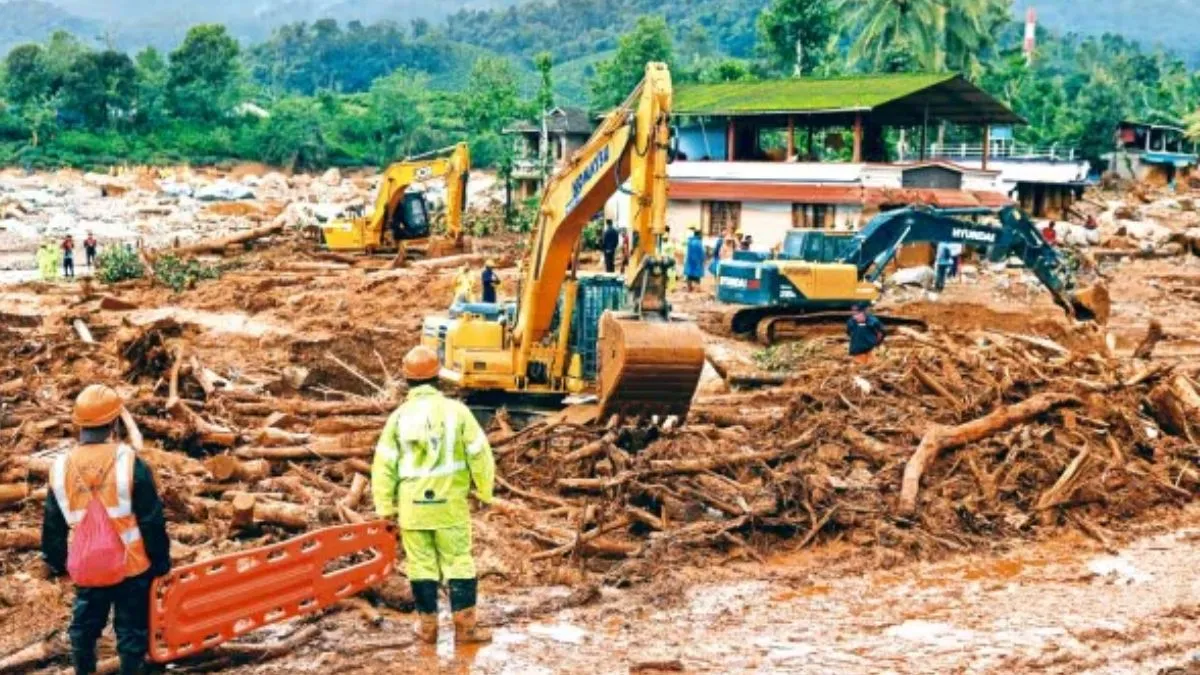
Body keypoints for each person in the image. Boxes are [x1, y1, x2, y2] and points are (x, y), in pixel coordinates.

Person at [41, 385, 170, 675]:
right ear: (114, 423)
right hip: (133, 566)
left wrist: (56, 563)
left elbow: (52, 524)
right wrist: (161, 562)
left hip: (88, 566)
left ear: (79, 424)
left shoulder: (59, 467)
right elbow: (151, 519)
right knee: (132, 633)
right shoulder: (129, 461)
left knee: (84, 630)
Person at [372, 346, 496, 645]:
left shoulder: (399, 418)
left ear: (407, 380)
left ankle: (427, 629)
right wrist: (484, 490)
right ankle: (466, 629)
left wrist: (385, 508)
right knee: (459, 562)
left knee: (421, 565)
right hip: (449, 507)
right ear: (438, 376)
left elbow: (383, 466)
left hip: (413, 508)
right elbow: (480, 455)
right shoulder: (458, 413)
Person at [683, 227, 705, 291]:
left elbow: (688, 251)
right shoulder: (699, 242)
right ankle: (697, 289)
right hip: (697, 262)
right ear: (699, 234)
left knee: (689, 276)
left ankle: (689, 288)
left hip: (690, 261)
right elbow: (701, 252)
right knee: (697, 277)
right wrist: (703, 259)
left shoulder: (690, 241)